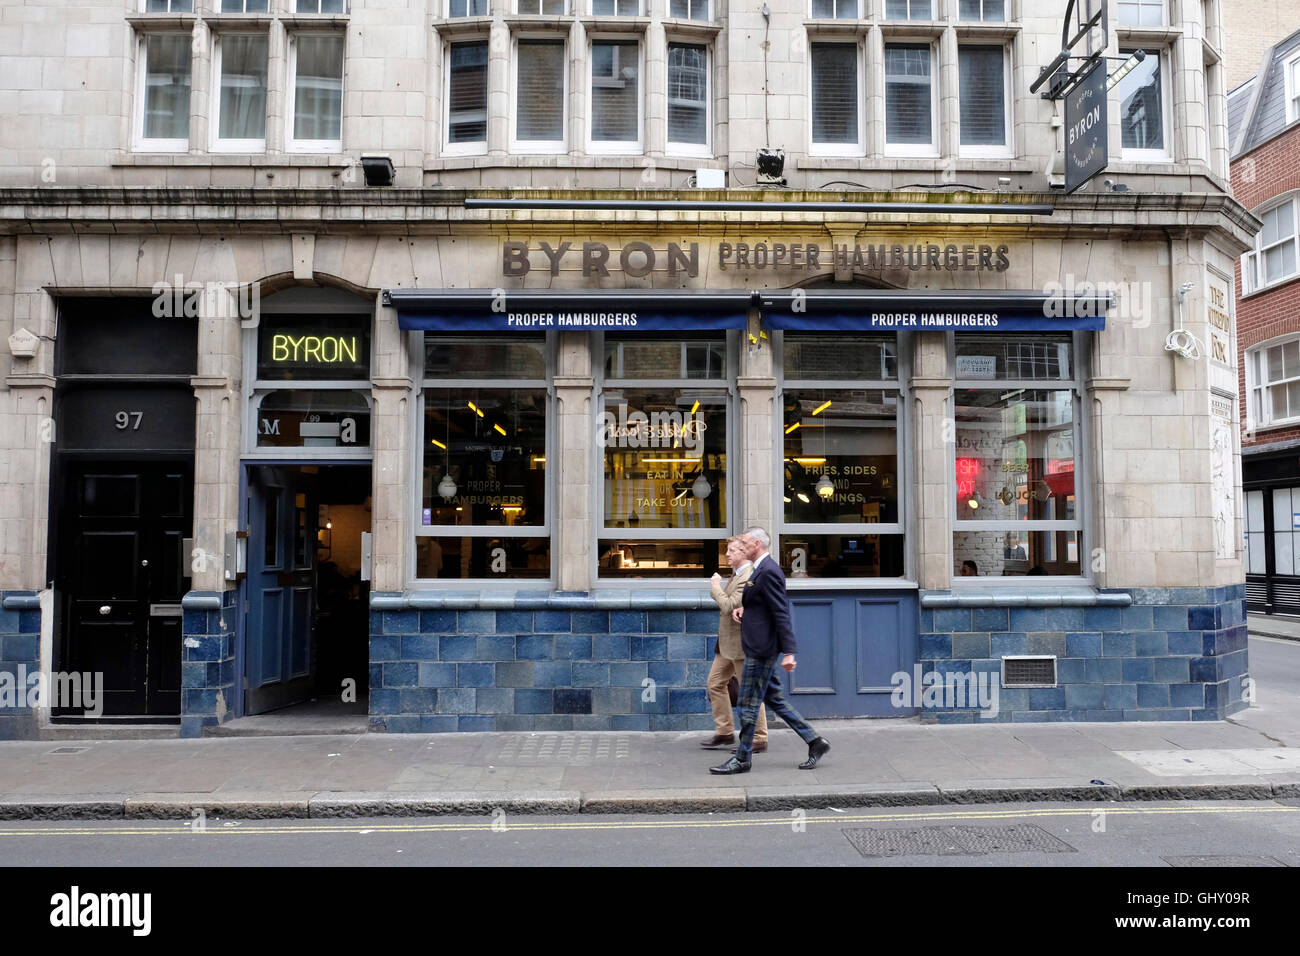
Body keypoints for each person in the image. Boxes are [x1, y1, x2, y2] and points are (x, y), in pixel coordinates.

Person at [709, 527, 830, 775]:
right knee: (775, 700)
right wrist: (744, 610)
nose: (741, 547)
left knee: (747, 704)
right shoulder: (760, 570)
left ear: (756, 544)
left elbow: (780, 612)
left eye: (744, 542)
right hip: (757, 643)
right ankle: (816, 741)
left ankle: (743, 758)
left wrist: (789, 652)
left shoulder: (769, 570)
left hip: (761, 648)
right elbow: (760, 604)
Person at [701, 538, 768, 752]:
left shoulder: (748, 576)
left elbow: (729, 606)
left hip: (741, 645)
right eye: (727, 551)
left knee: (749, 691)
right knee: (715, 684)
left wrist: (715, 587)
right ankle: (724, 732)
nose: (727, 555)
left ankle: (759, 738)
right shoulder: (737, 574)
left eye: (731, 551)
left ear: (744, 553)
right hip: (727, 645)